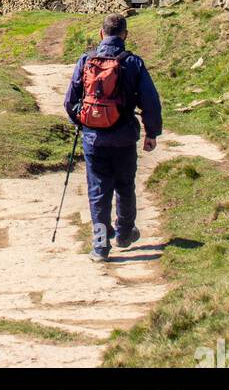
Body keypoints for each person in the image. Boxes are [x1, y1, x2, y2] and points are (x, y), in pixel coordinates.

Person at [64, 13, 162, 262]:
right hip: (124, 137)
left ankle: (100, 246)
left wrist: (84, 122)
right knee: (125, 186)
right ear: (125, 35)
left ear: (101, 34)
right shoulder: (133, 63)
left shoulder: (86, 60)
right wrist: (151, 133)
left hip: (94, 139)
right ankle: (124, 233)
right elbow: (150, 102)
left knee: (98, 191)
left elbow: (69, 102)